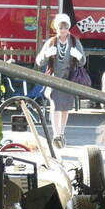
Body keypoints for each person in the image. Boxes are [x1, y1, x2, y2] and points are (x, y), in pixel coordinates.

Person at [35, 12, 85, 147]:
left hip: (69, 79)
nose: (63, 31)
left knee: (65, 108)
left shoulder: (75, 41)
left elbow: (83, 62)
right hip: (54, 79)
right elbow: (39, 61)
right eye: (60, 28)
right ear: (56, 29)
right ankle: (56, 134)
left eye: (65, 27)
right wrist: (46, 54)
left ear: (68, 28)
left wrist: (78, 56)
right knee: (56, 106)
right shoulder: (51, 42)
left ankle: (62, 133)